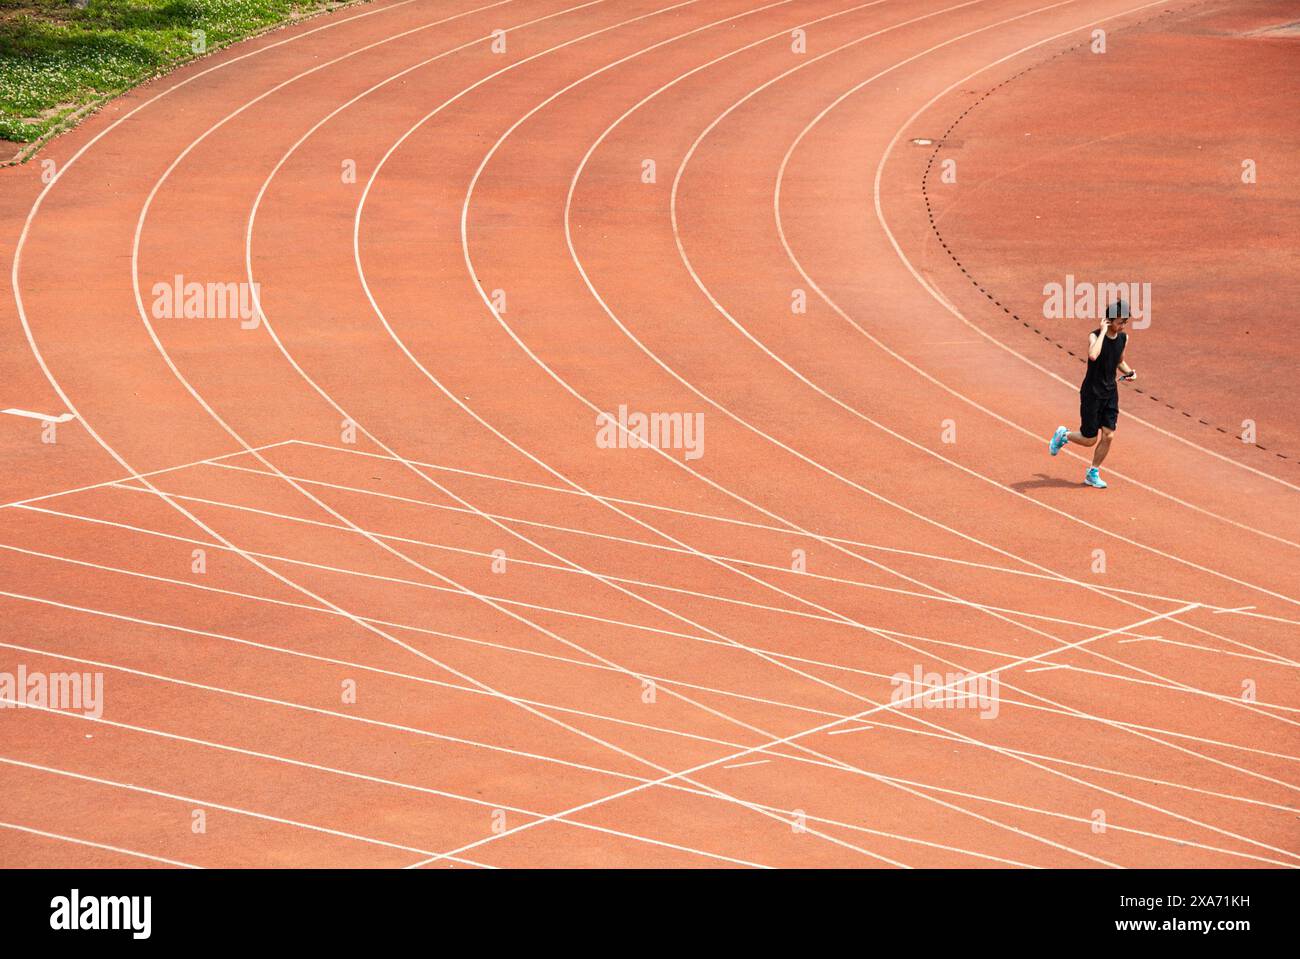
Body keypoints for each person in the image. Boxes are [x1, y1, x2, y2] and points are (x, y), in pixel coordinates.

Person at [1048, 300, 1136, 488]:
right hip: (1092, 393)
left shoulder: (1123, 339)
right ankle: (1064, 435)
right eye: (1120, 322)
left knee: (1109, 435)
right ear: (1108, 320)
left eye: (1125, 323)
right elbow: (1093, 355)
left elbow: (1119, 360)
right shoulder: (1094, 336)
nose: (1122, 326)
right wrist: (1103, 332)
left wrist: (1129, 372)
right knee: (1089, 439)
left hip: (1110, 392)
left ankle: (1093, 472)